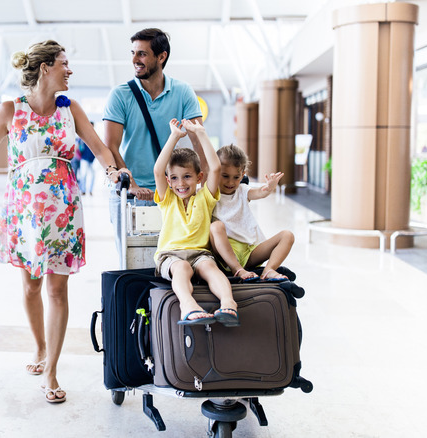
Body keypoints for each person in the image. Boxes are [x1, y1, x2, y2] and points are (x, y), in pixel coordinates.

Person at [0, 40, 131, 404]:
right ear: (45, 68)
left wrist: (112, 171)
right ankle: (40, 346)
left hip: (63, 208)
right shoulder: (10, 109)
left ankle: (51, 371)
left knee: (57, 290)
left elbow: (98, 147)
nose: (69, 70)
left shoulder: (70, 108)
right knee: (31, 286)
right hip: (25, 209)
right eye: (64, 63)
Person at [103, 28, 204, 262]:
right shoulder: (120, 95)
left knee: (175, 257)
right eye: (133, 53)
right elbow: (111, 146)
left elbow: (199, 138)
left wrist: (205, 178)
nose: (135, 60)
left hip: (172, 191)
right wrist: (133, 185)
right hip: (128, 192)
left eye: (142, 54)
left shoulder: (182, 92)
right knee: (131, 260)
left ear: (161, 57)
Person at [153, 119, 239, 326]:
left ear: (199, 177)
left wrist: (200, 132)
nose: (181, 183)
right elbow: (158, 170)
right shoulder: (167, 199)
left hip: (200, 253)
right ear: (168, 180)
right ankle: (188, 305)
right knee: (182, 267)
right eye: (174, 178)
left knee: (210, 267)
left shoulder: (205, 197)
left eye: (187, 176)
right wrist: (174, 136)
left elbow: (215, 168)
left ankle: (229, 303)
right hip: (170, 255)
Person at [209, 145, 294, 280]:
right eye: (225, 176)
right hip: (227, 253)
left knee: (287, 235)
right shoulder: (211, 192)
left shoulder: (242, 190)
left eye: (236, 177)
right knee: (215, 226)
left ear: (243, 175)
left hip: (251, 251)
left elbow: (259, 192)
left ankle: (269, 270)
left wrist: (269, 187)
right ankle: (237, 269)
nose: (231, 182)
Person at [76, 123, 96, 195]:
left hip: (91, 160)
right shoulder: (83, 136)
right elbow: (77, 147)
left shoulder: (95, 137)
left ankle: (90, 190)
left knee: (93, 174)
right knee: (83, 175)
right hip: (84, 158)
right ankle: (83, 190)